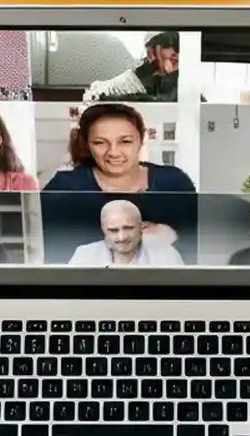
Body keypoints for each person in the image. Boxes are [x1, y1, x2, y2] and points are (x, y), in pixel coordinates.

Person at [44, 103, 195, 192]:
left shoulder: (174, 182)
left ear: (141, 140)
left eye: (125, 141)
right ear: (87, 144)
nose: (113, 152)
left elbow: (200, 238)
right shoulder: (65, 187)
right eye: (100, 142)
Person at [67, 199, 184, 266]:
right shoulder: (84, 255)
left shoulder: (168, 255)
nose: (122, 237)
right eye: (113, 230)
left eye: (128, 228)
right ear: (104, 230)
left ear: (140, 227)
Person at [82, 31, 180, 102]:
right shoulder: (133, 80)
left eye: (179, 46)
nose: (177, 53)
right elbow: (94, 95)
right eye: (169, 44)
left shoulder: (185, 83)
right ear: (151, 51)